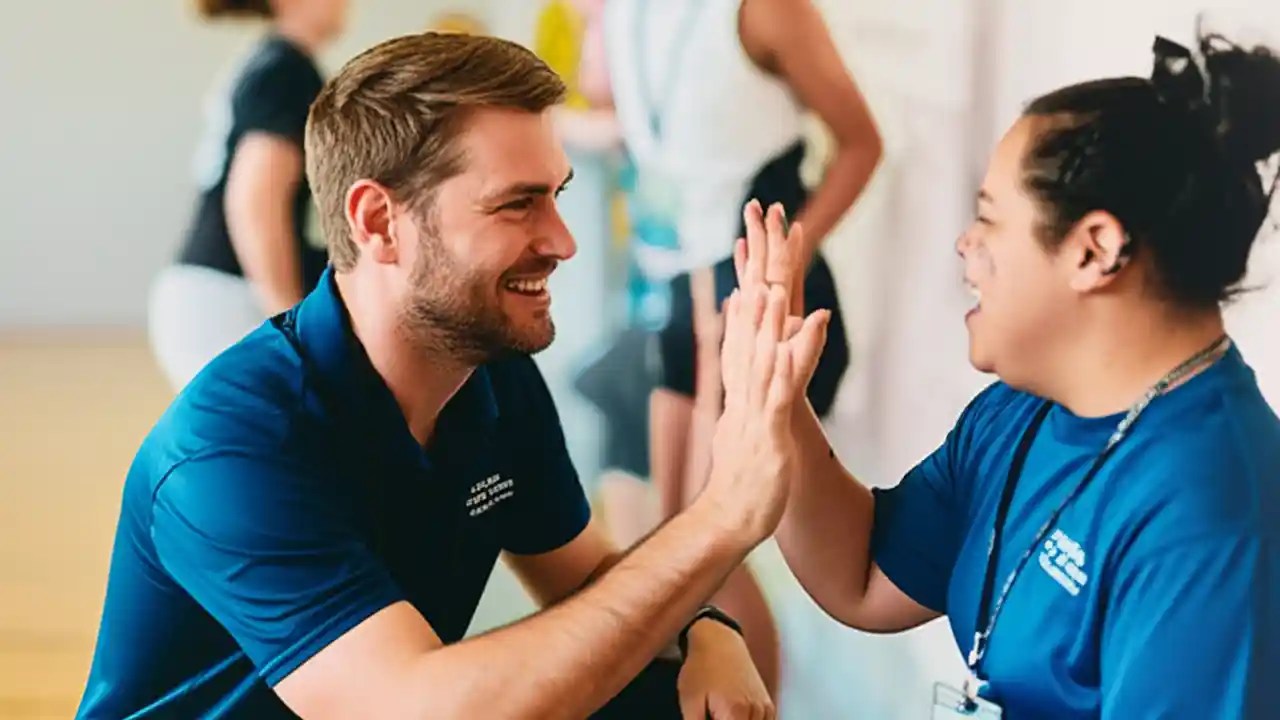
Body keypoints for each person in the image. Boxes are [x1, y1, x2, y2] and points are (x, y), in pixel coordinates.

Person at [75, 31, 829, 720]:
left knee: (663, 691)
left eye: (557, 196)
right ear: (377, 222)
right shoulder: (228, 448)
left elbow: (594, 579)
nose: (562, 242)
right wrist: (720, 517)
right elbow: (410, 707)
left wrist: (708, 627)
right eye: (517, 205)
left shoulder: (491, 375)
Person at [735, 30, 1280, 718]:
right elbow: (865, 575)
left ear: (1094, 250)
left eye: (989, 219)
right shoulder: (1022, 411)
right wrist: (778, 403)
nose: (967, 244)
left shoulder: (1213, 512)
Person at [564, 0, 883, 697]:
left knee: (712, 552)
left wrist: (780, 269)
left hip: (760, 303)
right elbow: (607, 99)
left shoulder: (766, 11)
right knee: (673, 547)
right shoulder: (626, 15)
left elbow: (862, 145)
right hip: (688, 301)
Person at [148, 0, 346, 390]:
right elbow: (256, 199)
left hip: (204, 292)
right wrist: (289, 324)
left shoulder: (266, 61)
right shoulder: (287, 70)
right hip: (227, 296)